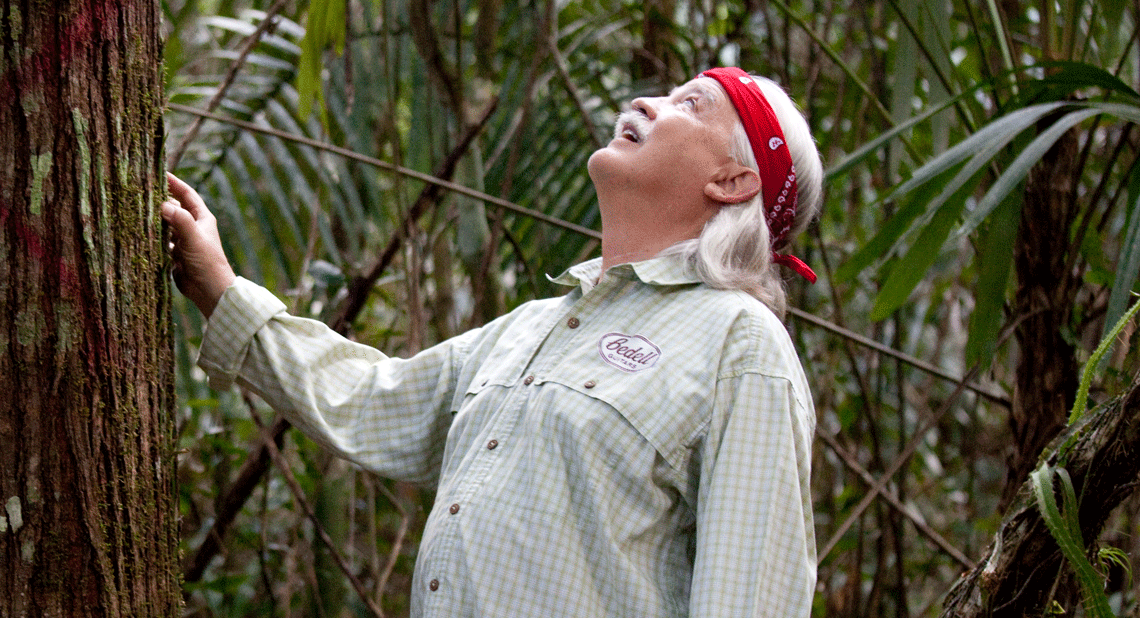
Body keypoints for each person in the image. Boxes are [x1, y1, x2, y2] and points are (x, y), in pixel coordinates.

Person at [164, 66, 822, 617]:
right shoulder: (534, 326)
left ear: (732, 181)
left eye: (690, 104)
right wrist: (218, 289)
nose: (647, 101)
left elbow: (752, 592)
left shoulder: (740, 341)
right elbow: (369, 400)